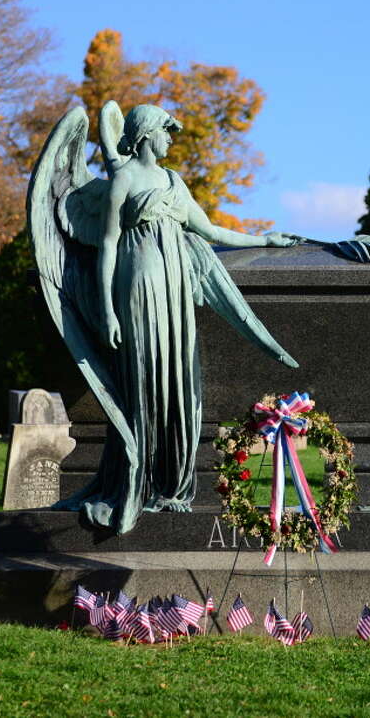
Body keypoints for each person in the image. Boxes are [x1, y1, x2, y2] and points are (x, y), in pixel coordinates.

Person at [52, 104, 297, 529]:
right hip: (138, 287)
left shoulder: (173, 181)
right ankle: (140, 478)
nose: (171, 139)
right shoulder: (124, 178)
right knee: (146, 380)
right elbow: (107, 244)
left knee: (178, 379)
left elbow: (211, 231)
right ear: (147, 134)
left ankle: (172, 483)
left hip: (175, 289)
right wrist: (108, 310)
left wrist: (266, 239)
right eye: (167, 132)